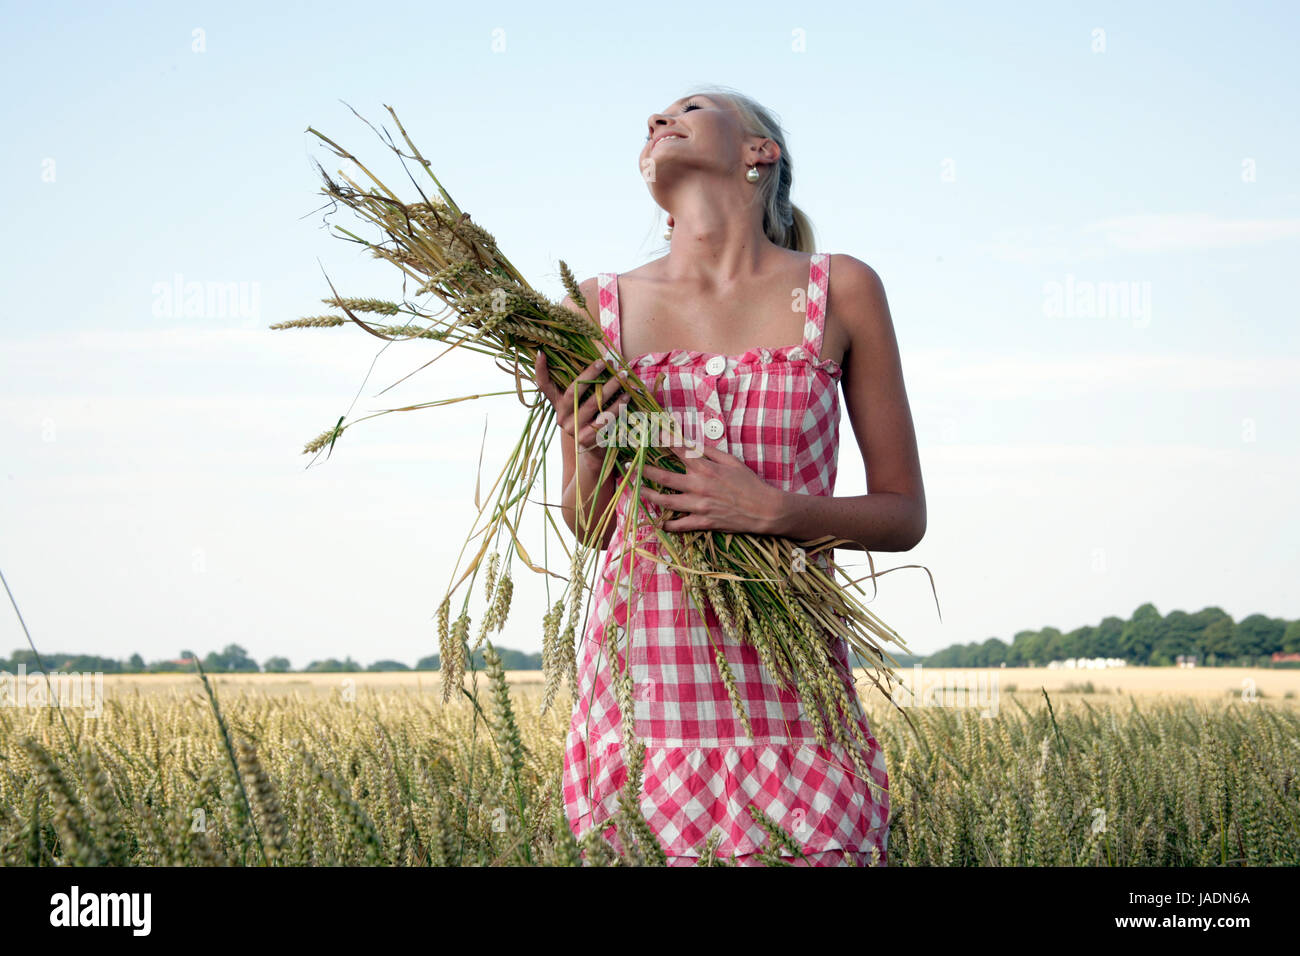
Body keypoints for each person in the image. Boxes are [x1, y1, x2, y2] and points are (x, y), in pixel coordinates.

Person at [534, 85, 926, 866]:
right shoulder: (595, 309)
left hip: (791, 693)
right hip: (648, 693)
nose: (658, 118)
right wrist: (585, 443)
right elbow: (591, 527)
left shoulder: (839, 290)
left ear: (759, 152)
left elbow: (903, 512)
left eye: (691, 106)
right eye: (653, 117)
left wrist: (778, 511)